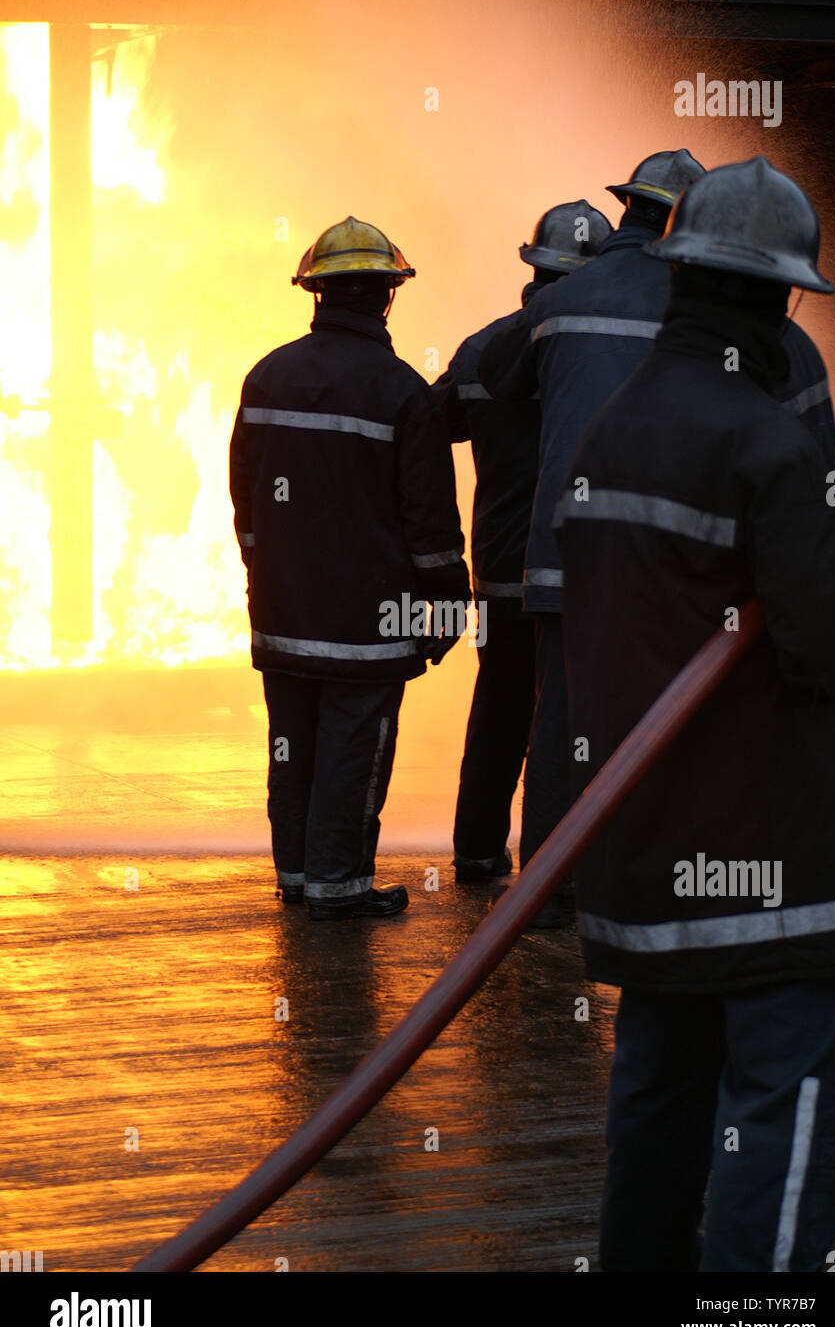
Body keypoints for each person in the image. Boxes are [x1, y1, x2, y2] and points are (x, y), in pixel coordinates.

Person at [555, 157, 835, 1271]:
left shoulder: (610, 434)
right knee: (779, 1122)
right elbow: (824, 640)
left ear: (679, 278)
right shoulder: (762, 443)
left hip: (647, 864)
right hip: (774, 875)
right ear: (776, 299)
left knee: (659, 1114)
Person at [479, 150, 706, 924]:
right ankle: (640, 885)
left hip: (557, 553)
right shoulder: (692, 308)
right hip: (651, 560)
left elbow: (496, 389)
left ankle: (543, 895)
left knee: (558, 726)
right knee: (659, 722)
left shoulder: (556, 302)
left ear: (630, 211)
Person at [230, 216, 470, 921]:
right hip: (368, 624)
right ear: (386, 296)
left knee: (291, 747)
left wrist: (263, 572)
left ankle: (300, 877)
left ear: (316, 293)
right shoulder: (402, 392)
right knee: (352, 751)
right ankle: (340, 889)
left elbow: (244, 500)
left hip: (282, 614)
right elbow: (429, 522)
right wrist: (447, 608)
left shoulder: (266, 375)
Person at [433, 201, 612, 921]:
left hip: (501, 568)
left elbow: (436, 424)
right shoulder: (593, 346)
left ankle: (478, 853)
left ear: (532, 269)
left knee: (500, 709)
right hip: (567, 569)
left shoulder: (484, 348)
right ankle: (559, 866)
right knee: (562, 716)